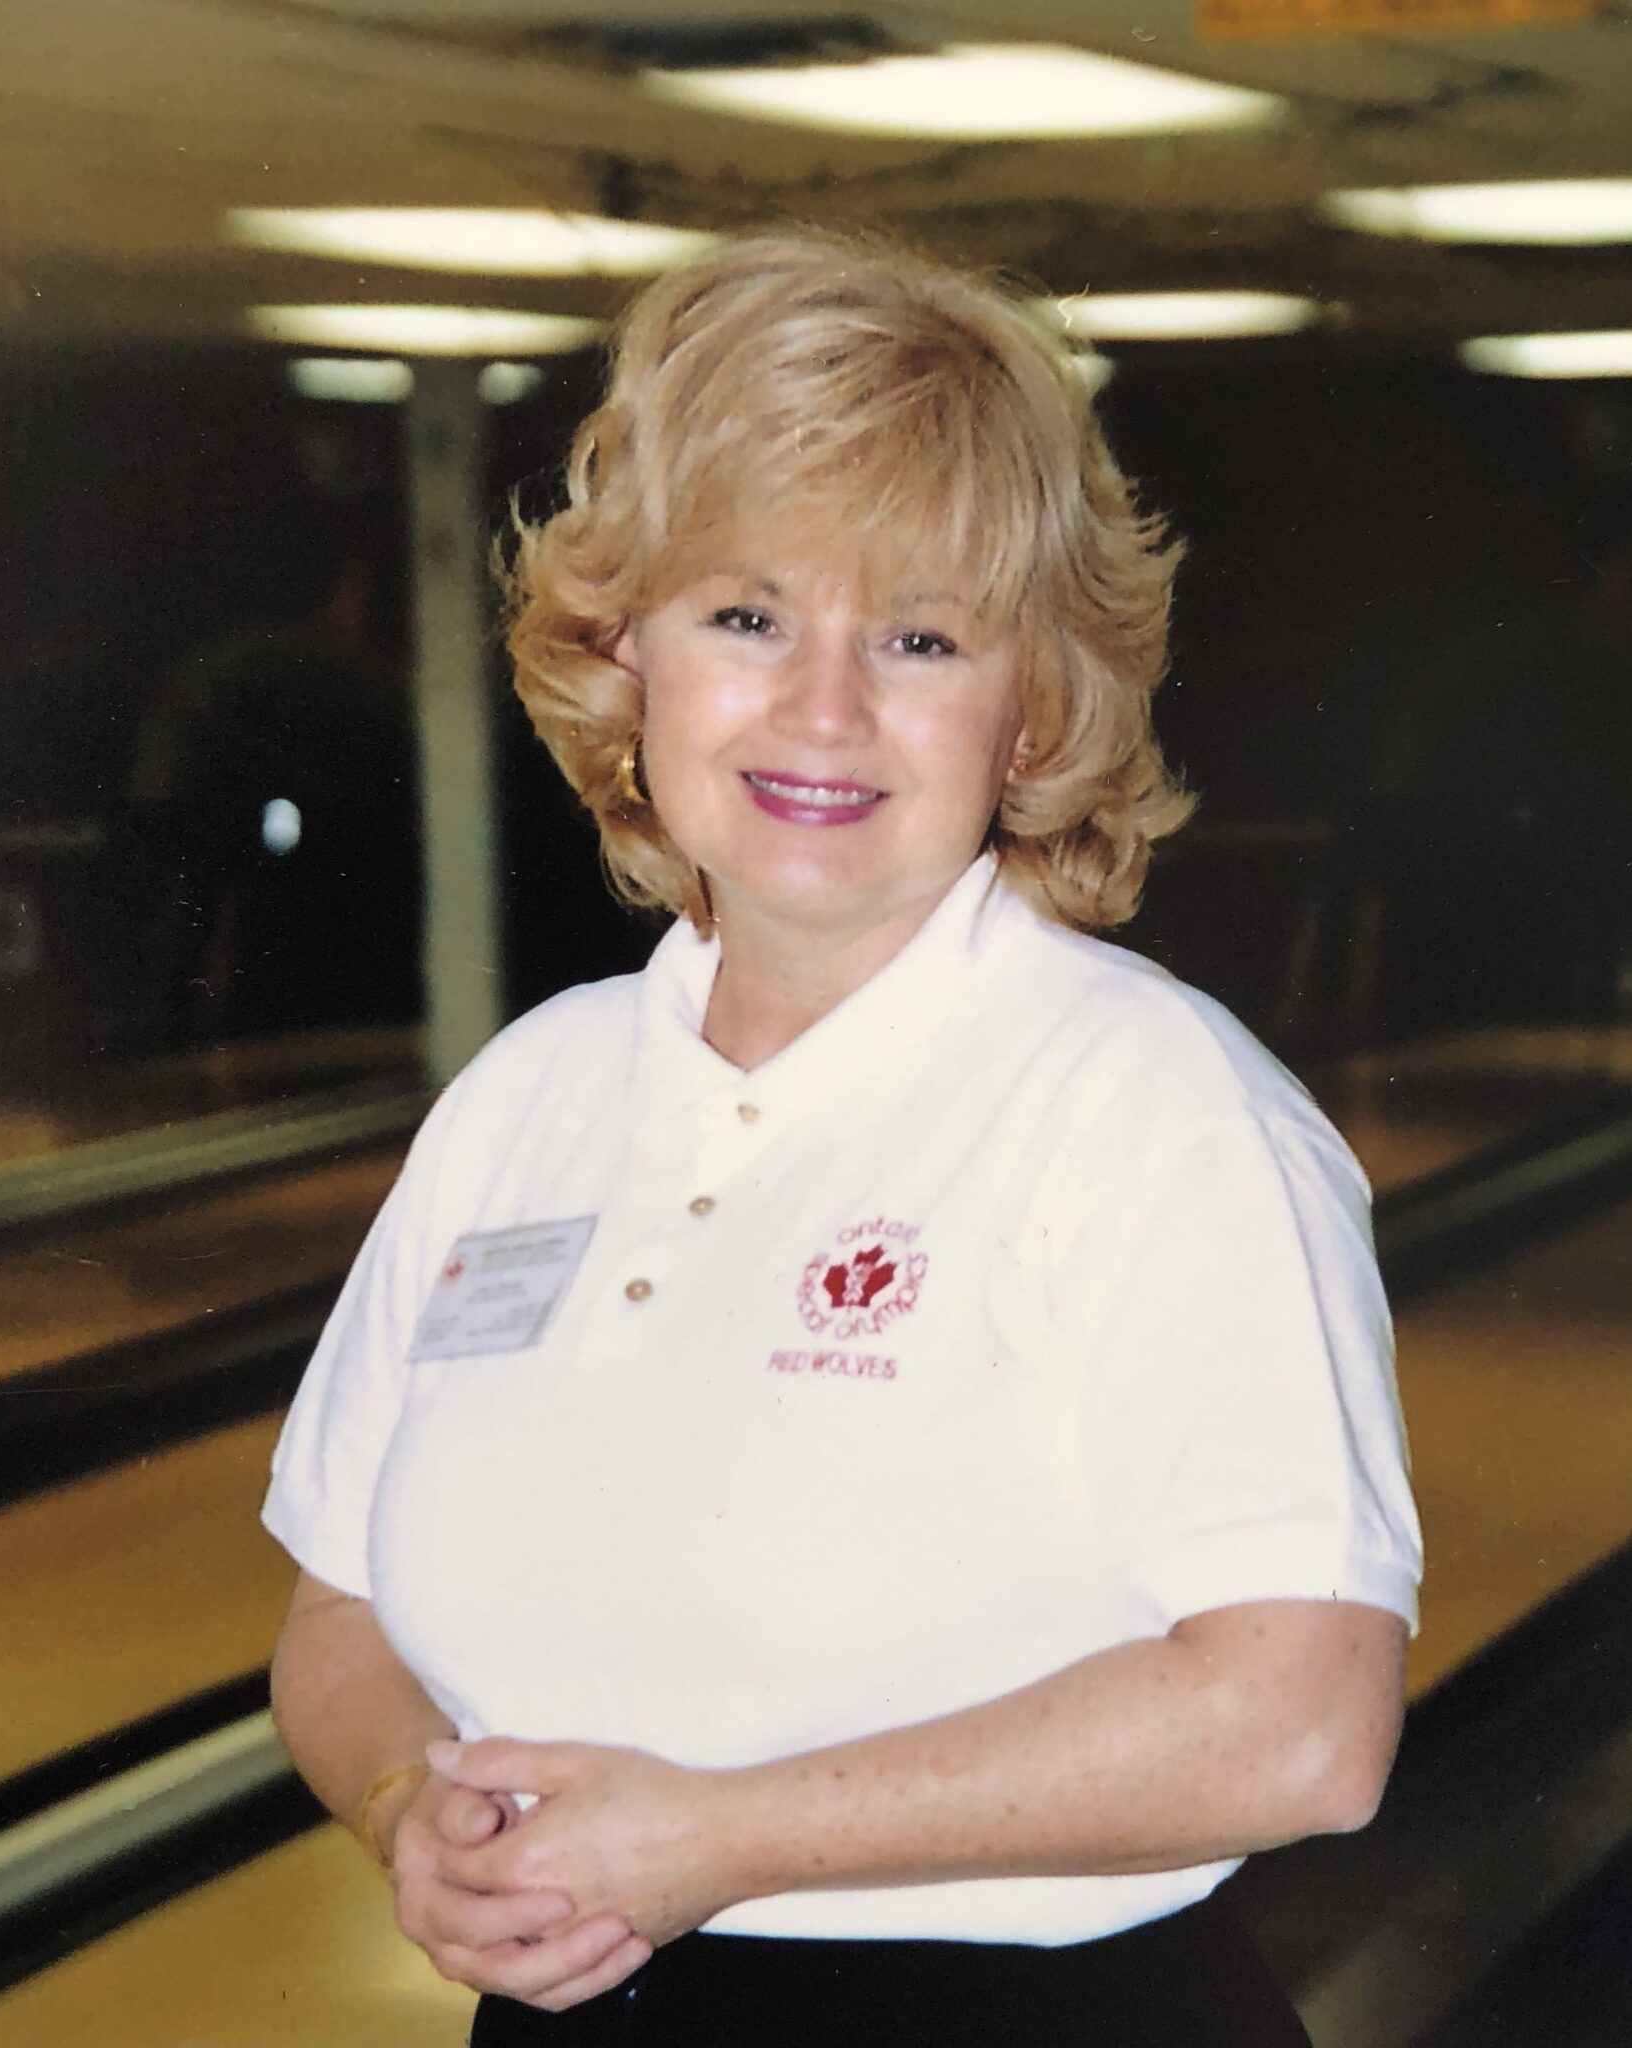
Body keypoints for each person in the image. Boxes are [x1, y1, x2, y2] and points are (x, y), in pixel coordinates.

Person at [264, 227, 1422, 2046]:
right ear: (620, 650)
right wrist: (415, 1811)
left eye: (917, 635)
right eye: (745, 615)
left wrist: (719, 1841)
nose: (823, 708)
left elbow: (1301, 1721)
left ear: (1029, 706)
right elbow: (338, 1610)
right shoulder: (530, 1097)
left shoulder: (1149, 1108)